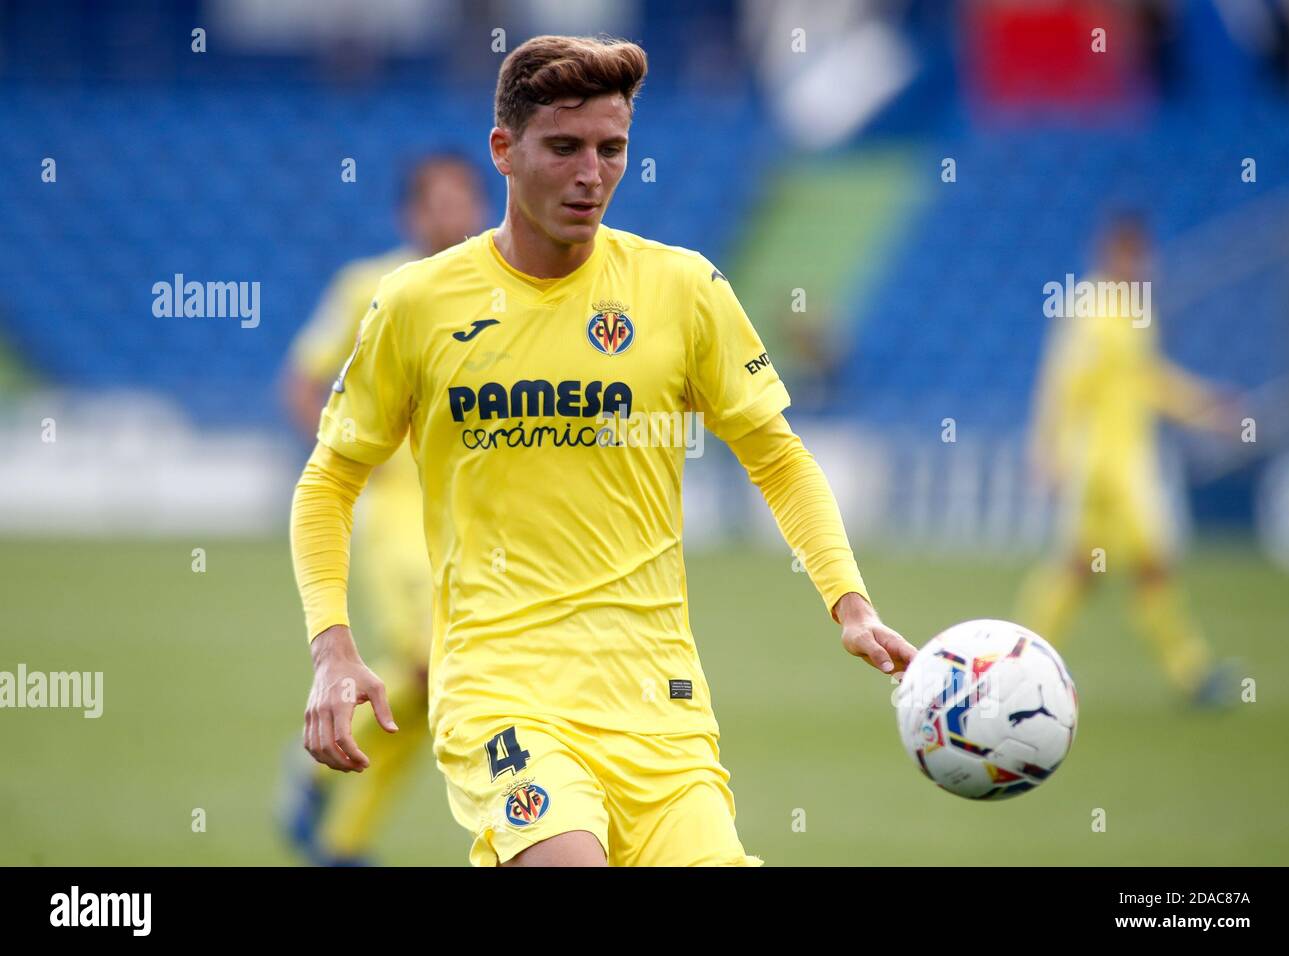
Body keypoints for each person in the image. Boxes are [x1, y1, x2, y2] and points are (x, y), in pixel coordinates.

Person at [290, 34, 915, 867]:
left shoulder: (684, 290)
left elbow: (777, 455)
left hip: (661, 706)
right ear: (504, 152)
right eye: (565, 148)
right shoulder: (417, 303)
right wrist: (332, 646)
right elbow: (329, 479)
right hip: (504, 694)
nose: (592, 173)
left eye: (611, 149)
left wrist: (850, 601)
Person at [279, 153, 488, 864]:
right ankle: (314, 764)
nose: (451, 215)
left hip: (473, 516)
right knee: (433, 666)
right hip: (398, 510)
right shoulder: (372, 285)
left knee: (438, 692)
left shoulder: (497, 287)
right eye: (438, 201)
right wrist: (342, 463)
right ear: (410, 213)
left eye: (463, 200)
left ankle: (344, 838)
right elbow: (303, 378)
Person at [1016, 212, 1238, 706]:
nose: (1139, 262)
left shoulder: (1130, 308)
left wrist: (1204, 406)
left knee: (1081, 570)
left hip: (1114, 465)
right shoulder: (1096, 308)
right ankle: (1192, 674)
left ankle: (1017, 663)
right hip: (1111, 467)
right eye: (1129, 252)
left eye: (1141, 253)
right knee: (1152, 565)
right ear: (1108, 253)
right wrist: (1047, 447)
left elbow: (1144, 380)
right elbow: (1066, 383)